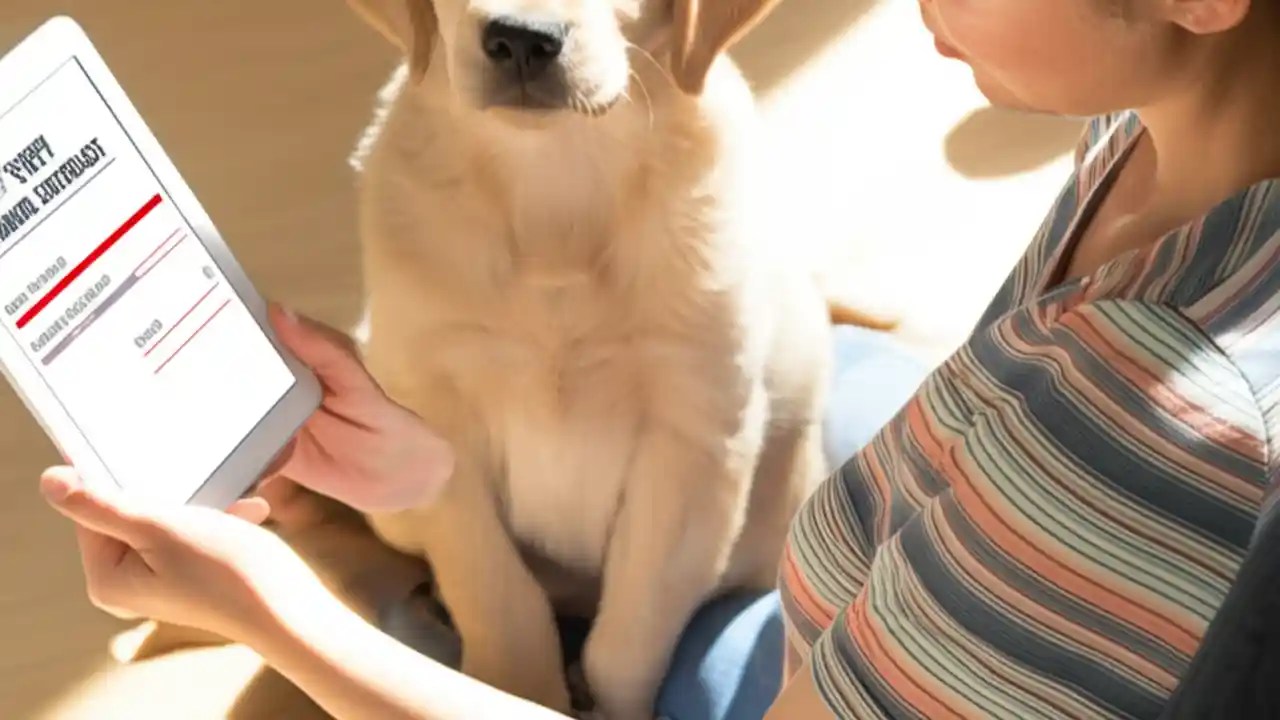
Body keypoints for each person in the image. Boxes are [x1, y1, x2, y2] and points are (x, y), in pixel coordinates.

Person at [38, 0, 1280, 715]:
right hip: (906, 541)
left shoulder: (1143, 434)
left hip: (798, 649)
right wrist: (431, 463)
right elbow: (990, 422)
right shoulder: (1158, 136)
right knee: (822, 367)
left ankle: (375, 595)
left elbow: (1068, 462)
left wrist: (274, 614)